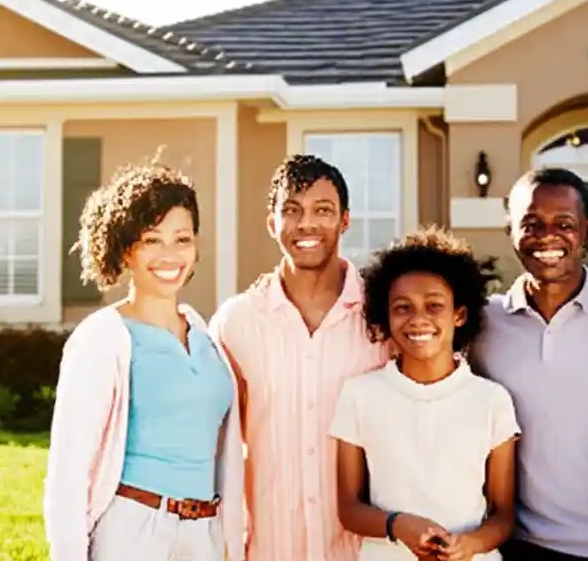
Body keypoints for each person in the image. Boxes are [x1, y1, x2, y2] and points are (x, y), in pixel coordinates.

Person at [42, 164, 244, 561]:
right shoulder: (102, 337)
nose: (170, 255)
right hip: (134, 531)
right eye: (152, 240)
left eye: (182, 239)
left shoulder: (205, 336)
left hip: (203, 532)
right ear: (125, 249)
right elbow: (69, 470)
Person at [468, 168, 588, 561]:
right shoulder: (483, 324)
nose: (547, 236)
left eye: (564, 224)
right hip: (517, 546)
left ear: (586, 231)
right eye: (532, 223)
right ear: (510, 230)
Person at [210, 154, 391, 561]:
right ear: (272, 223)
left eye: (322, 211)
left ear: (345, 220)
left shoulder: (384, 320)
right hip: (270, 549)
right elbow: (217, 446)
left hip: (366, 552)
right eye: (291, 211)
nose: (306, 224)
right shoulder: (235, 324)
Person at [332, 227, 519, 561]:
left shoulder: (492, 401)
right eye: (402, 308)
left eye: (434, 306)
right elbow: (349, 508)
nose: (418, 320)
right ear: (386, 317)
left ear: (459, 315)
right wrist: (398, 525)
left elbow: (503, 516)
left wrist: (471, 544)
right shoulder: (360, 396)